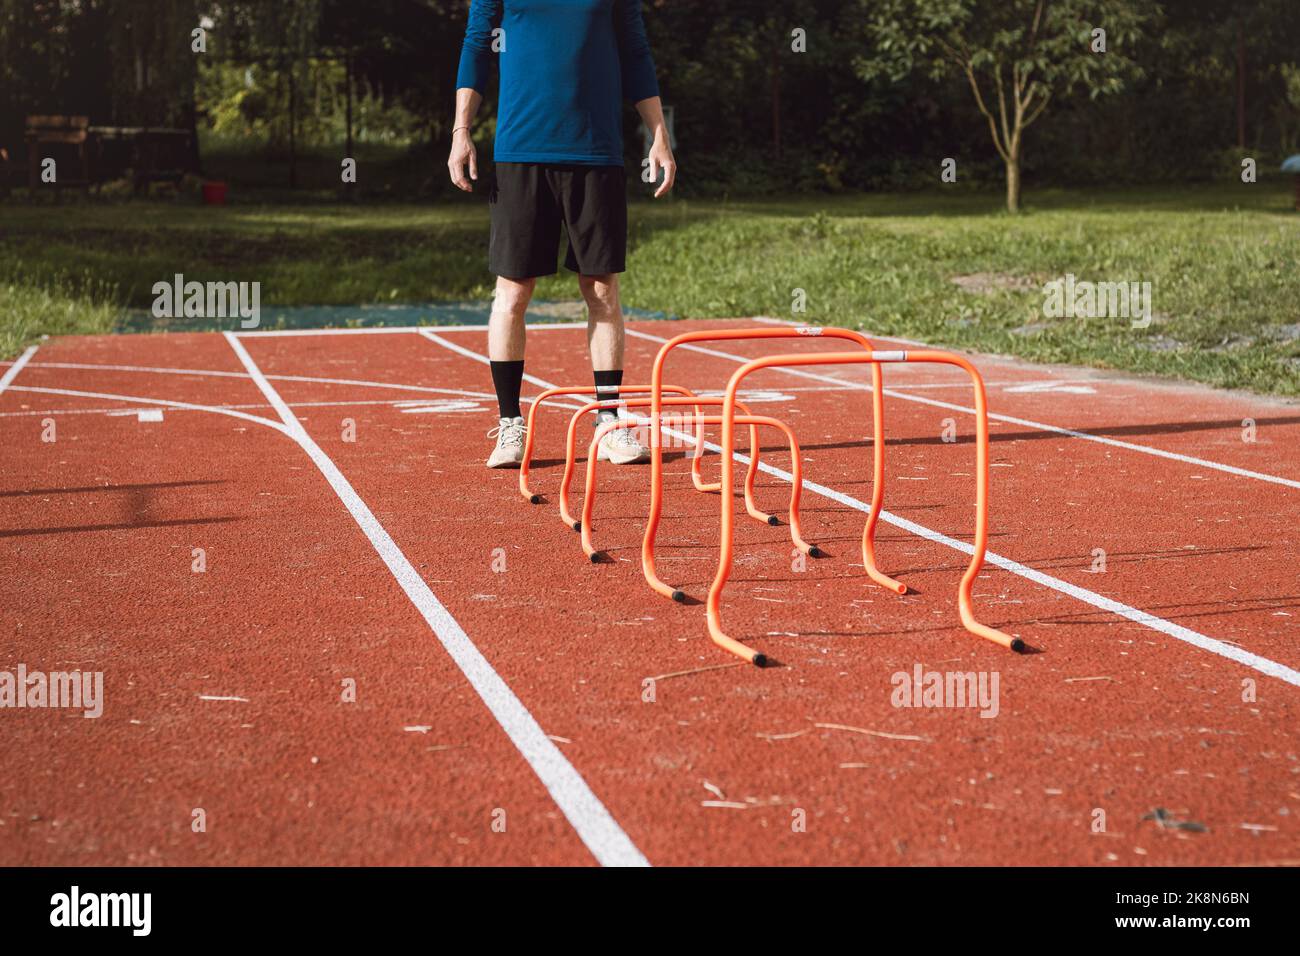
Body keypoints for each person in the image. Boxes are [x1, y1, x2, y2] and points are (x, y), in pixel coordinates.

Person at [449, 0, 677, 468]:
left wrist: (658, 133)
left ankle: (609, 420)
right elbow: (477, 43)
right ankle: (511, 423)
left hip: (596, 153)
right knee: (512, 292)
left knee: (602, 289)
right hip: (521, 151)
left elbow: (635, 50)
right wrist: (461, 130)